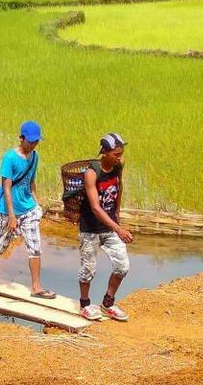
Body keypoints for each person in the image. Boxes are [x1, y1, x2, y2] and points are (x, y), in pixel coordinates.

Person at [0, 121, 56, 299]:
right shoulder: (10, 158)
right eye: (30, 141)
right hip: (9, 210)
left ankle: (36, 287)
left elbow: (31, 181)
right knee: (1, 242)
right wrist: (11, 216)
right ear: (21, 138)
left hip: (28, 208)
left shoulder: (35, 156)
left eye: (36, 141)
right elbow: (7, 187)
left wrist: (36, 203)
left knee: (34, 246)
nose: (33, 145)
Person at [77, 133, 133, 321]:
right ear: (105, 153)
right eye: (116, 154)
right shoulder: (92, 172)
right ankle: (85, 304)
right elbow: (95, 207)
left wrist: (117, 212)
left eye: (121, 153)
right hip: (90, 228)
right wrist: (118, 229)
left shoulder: (118, 166)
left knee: (122, 266)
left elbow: (119, 187)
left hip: (110, 226)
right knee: (88, 270)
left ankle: (107, 303)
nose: (120, 157)